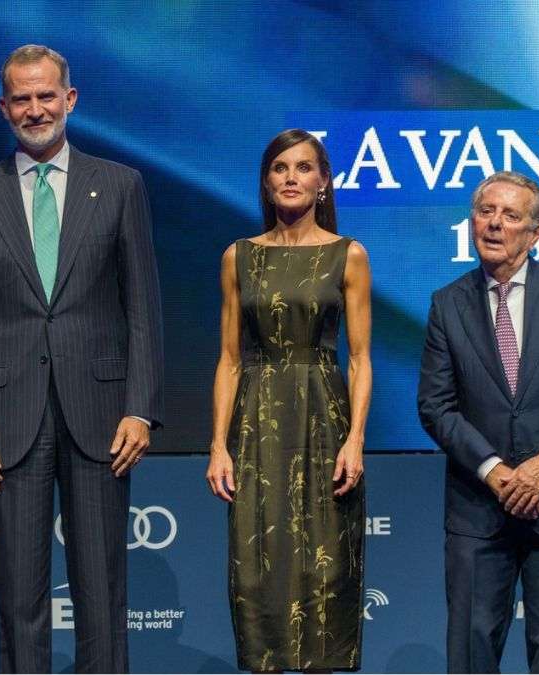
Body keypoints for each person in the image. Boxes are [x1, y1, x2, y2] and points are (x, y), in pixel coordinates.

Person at [0, 44, 163, 673]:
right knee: (19, 600)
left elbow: (143, 307)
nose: (35, 109)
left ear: (70, 99)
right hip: (5, 422)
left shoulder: (119, 186)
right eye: (21, 98)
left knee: (103, 596)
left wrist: (141, 409)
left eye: (46, 95)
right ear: (3, 107)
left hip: (102, 416)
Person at [418, 171, 539, 673]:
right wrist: (495, 471)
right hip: (478, 511)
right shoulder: (446, 303)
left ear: (536, 233)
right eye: (486, 212)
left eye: (511, 215)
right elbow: (436, 405)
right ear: (470, 222)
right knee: (471, 656)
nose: (495, 224)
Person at [206, 129, 371, 672]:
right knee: (257, 571)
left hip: (324, 418)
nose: (291, 177)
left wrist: (355, 441)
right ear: (266, 181)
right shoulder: (238, 256)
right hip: (257, 424)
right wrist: (218, 446)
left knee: (327, 571)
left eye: (304, 168)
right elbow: (229, 359)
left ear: (323, 182)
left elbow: (360, 359)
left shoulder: (348, 254)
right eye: (280, 168)